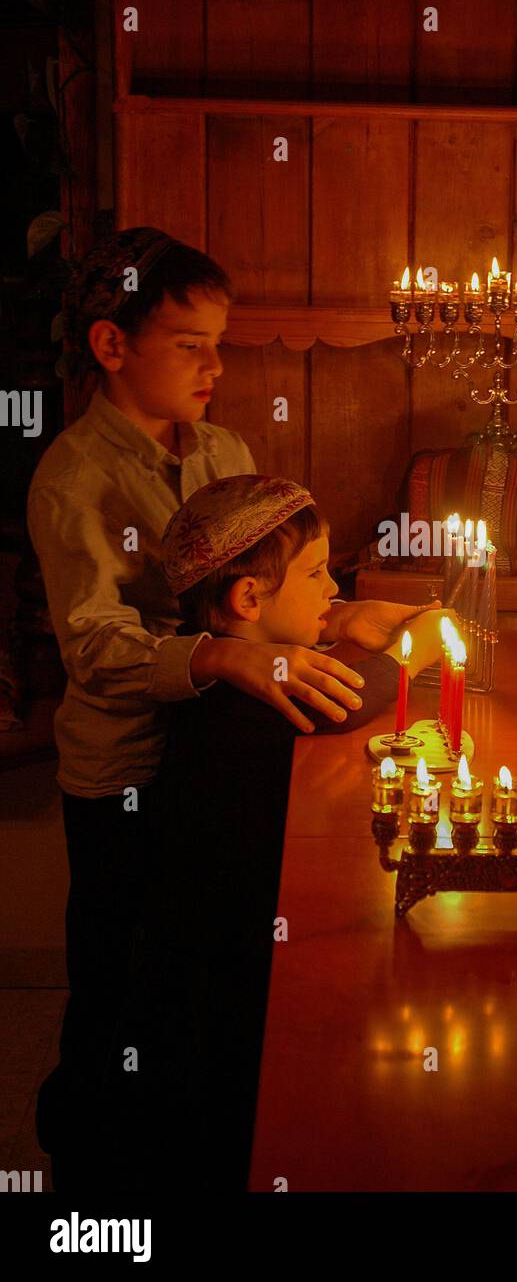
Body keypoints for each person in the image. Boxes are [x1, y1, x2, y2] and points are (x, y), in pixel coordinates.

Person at [26, 227, 433, 1188]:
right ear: (110, 345)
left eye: (221, 340)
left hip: (218, 739)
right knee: (120, 975)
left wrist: (331, 619)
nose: (216, 364)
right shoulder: (73, 480)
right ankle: (87, 1171)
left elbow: (257, 593)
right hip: (126, 765)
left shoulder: (222, 446)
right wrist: (220, 658)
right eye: (188, 343)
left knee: (194, 975)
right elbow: (95, 646)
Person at [107, 474, 452, 1191]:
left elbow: (334, 670)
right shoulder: (250, 688)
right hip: (216, 971)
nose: (336, 587)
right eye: (320, 573)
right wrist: (412, 649)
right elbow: (348, 703)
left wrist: (350, 620)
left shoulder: (227, 657)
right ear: (249, 601)